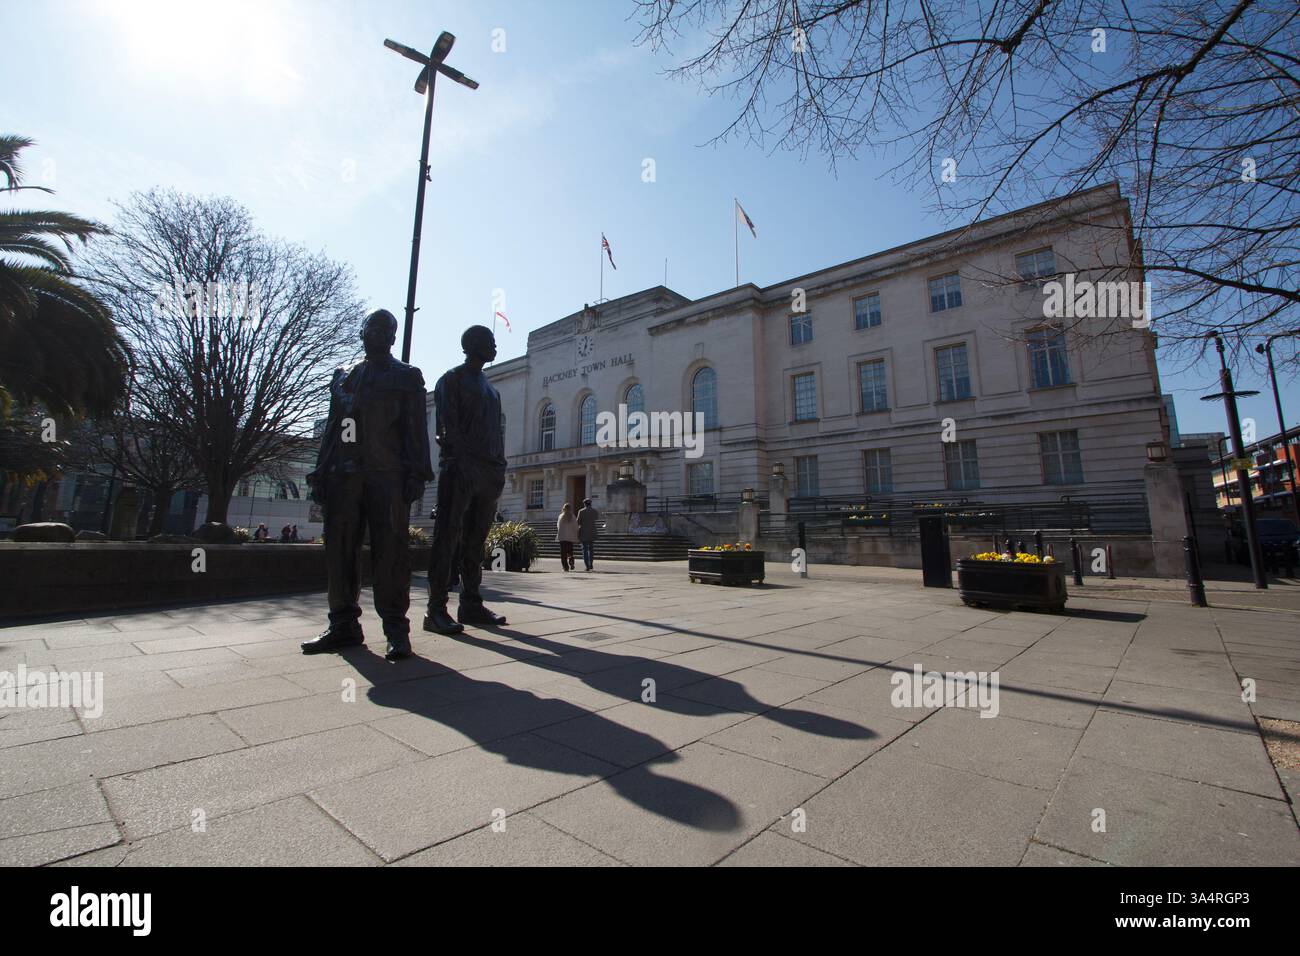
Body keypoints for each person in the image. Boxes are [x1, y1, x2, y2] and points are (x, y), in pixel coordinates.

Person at [300, 309, 433, 661]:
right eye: (372, 327)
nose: (377, 334)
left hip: (387, 474)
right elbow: (333, 428)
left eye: (385, 329)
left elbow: (415, 430)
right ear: (362, 332)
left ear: (393, 336)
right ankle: (342, 624)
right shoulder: (343, 377)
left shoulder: (407, 377)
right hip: (344, 475)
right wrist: (321, 471)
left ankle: (395, 629)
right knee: (340, 551)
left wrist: (417, 473)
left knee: (391, 552)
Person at [424, 325, 509, 635]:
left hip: (488, 472)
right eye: (490, 342)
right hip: (461, 468)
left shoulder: (493, 390)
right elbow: (444, 427)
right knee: (447, 536)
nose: (495, 347)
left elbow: (497, 433)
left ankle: (471, 603)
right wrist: (460, 458)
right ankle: (435, 609)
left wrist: (499, 465)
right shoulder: (451, 379)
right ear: (473, 345)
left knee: (475, 542)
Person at [577, 497, 599, 571]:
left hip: (584, 532)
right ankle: (591, 564)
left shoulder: (581, 511)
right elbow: (596, 518)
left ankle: (587, 566)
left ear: (584, 504)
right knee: (591, 549)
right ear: (590, 503)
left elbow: (578, 522)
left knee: (585, 549)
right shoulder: (594, 511)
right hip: (592, 532)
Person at [556, 502, 579, 571]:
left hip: (562, 537)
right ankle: (571, 562)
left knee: (563, 553)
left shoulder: (560, 516)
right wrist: (576, 534)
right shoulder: (573, 516)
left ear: (563, 508)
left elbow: (558, 526)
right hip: (570, 537)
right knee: (570, 551)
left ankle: (565, 567)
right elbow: (576, 527)